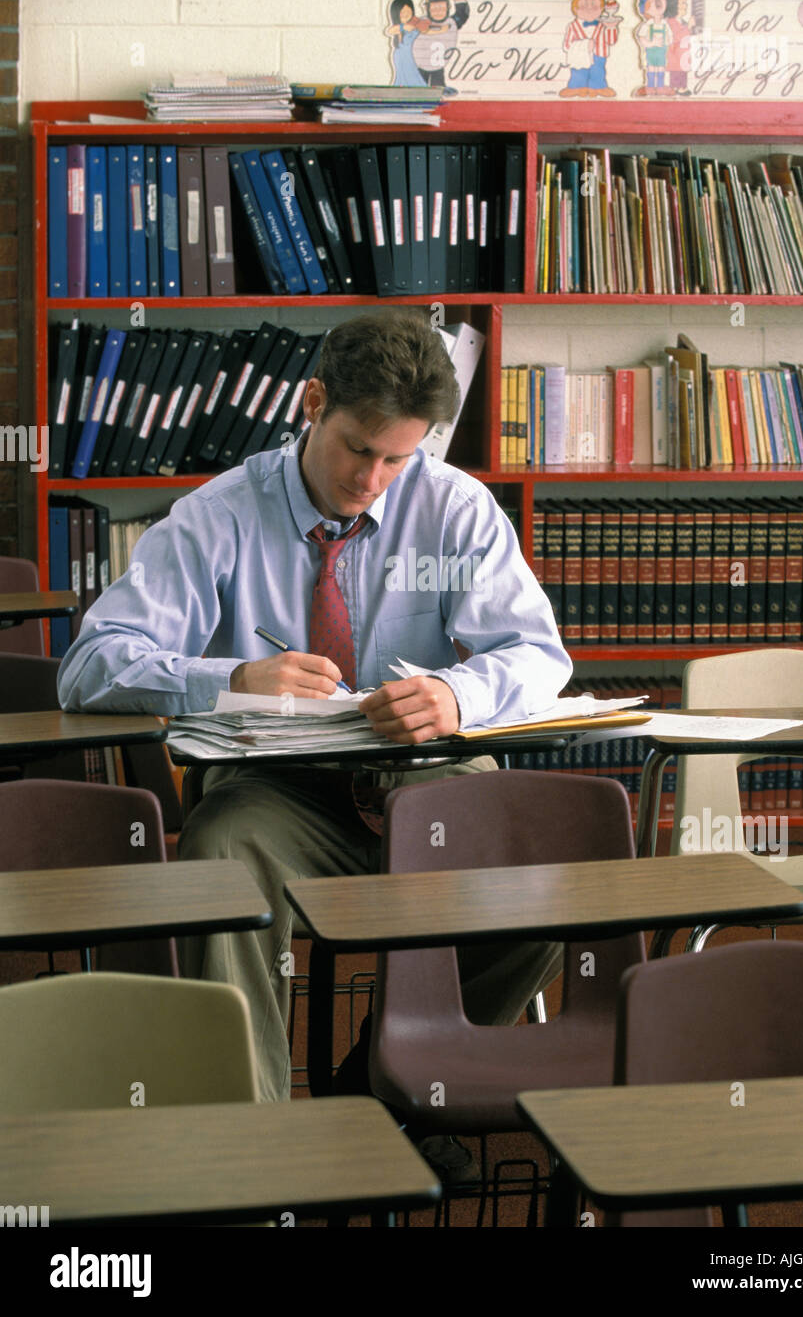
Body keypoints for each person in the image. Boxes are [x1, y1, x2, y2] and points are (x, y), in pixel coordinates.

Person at [57, 310, 570, 1120]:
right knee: (218, 854)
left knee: (551, 874)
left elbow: (540, 656)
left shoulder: (455, 509)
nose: (372, 480)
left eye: (398, 458)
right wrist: (233, 677)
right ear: (312, 403)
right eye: (357, 450)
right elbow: (89, 664)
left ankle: (385, 1096)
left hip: (429, 786)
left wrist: (457, 695)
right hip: (279, 791)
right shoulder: (217, 514)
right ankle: (256, 1140)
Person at [385, 0, 427, 87]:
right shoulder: (399, 28)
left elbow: (425, 29)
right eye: (402, 12)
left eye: (408, 11)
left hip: (412, 61)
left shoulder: (415, 25)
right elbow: (389, 31)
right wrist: (403, 27)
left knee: (415, 80)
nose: (405, 14)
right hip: (401, 61)